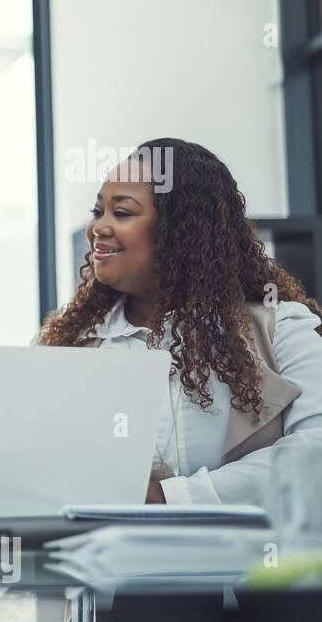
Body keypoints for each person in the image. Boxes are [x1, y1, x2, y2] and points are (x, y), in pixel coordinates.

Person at [38, 137, 322, 505]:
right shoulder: (70, 347)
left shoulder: (282, 328)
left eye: (121, 213)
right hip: (109, 559)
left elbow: (316, 449)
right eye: (98, 212)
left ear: (180, 229)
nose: (99, 228)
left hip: (254, 560)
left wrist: (170, 496)